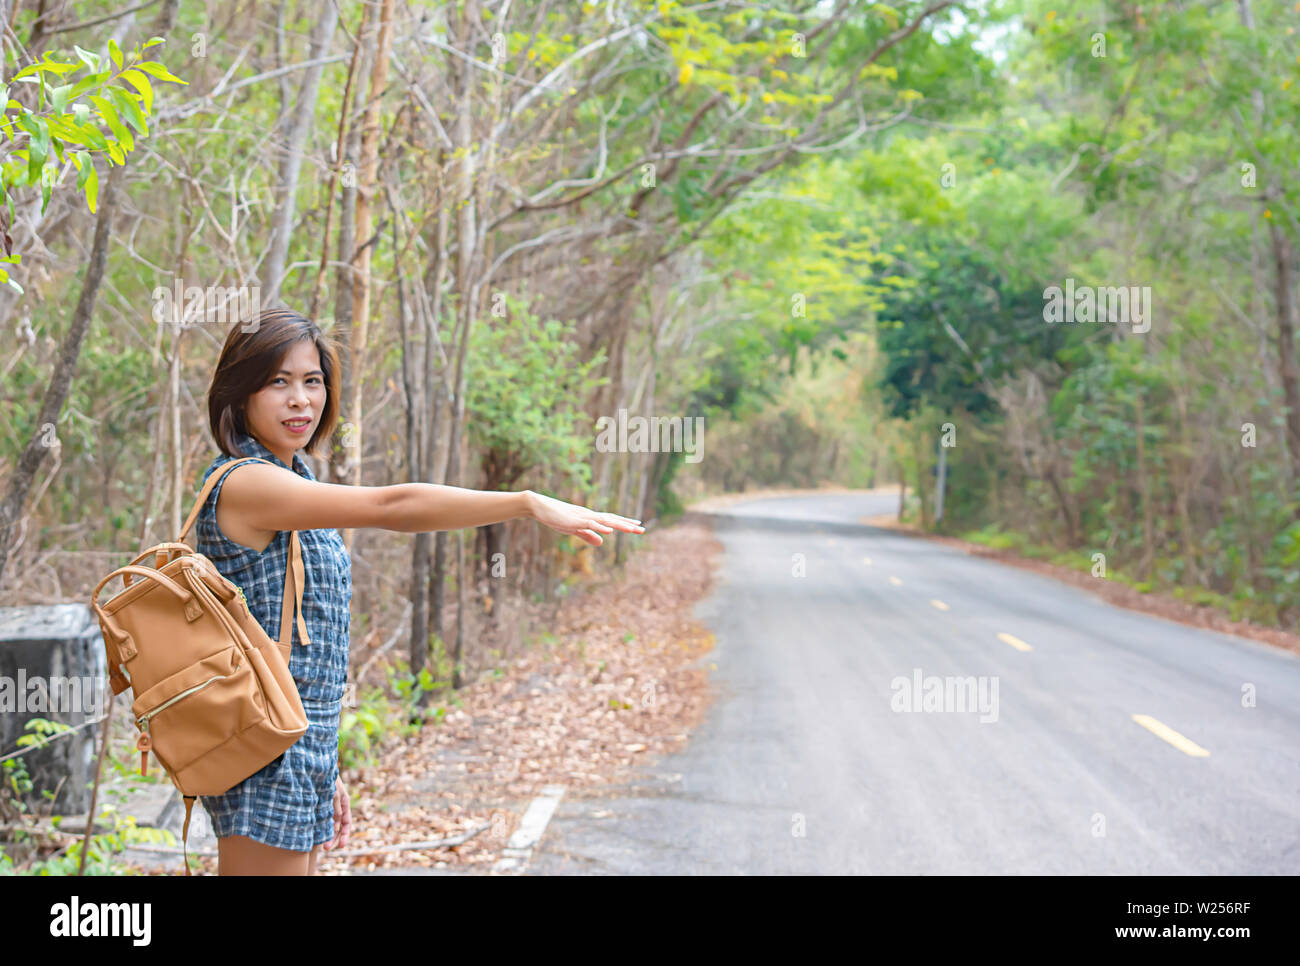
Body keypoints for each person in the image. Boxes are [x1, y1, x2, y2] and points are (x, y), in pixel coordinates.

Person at [193, 306, 644, 875]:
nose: (301, 400)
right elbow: (391, 507)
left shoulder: (296, 479)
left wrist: (325, 766)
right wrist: (524, 503)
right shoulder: (246, 483)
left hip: (298, 744)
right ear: (239, 393)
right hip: (262, 750)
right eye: (277, 382)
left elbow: (306, 642)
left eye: (312, 381)